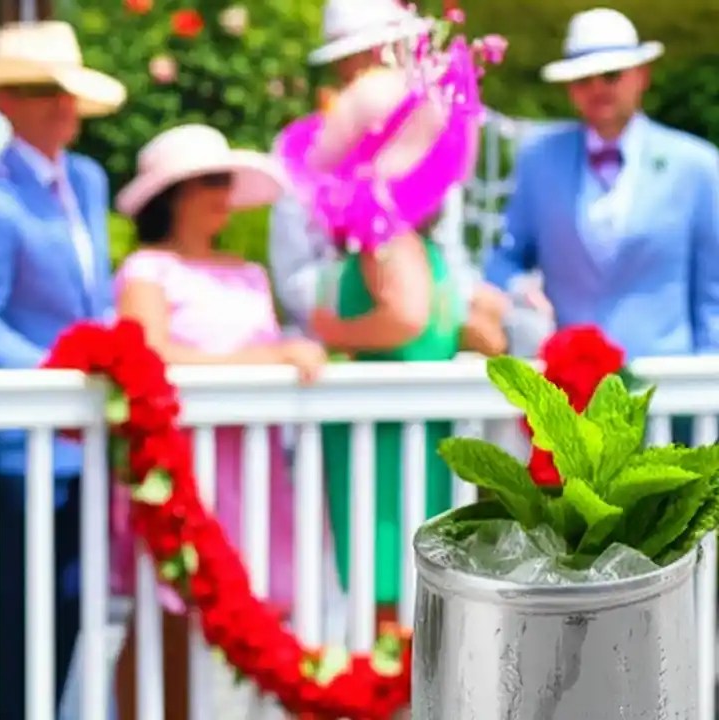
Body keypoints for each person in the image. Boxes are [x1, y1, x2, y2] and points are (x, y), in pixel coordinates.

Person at [276, 13, 498, 628]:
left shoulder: (395, 225)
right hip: (397, 422)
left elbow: (410, 311)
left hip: (397, 426)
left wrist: (331, 326)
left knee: (395, 594)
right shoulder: (409, 239)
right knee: (406, 593)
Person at [0, 20, 126, 720]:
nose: (61, 106)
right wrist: (65, 373)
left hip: (86, 438)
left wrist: (111, 362)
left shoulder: (87, 179)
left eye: (66, 92)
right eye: (43, 92)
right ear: (7, 102)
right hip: (24, 446)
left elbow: (95, 299)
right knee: (21, 611)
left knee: (77, 605)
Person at [106, 124, 325, 719]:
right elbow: (149, 352)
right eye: (208, 180)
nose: (222, 192)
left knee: (259, 610)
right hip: (178, 464)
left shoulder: (249, 272)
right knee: (165, 614)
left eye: (225, 178)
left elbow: (283, 352)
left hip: (252, 467)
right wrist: (271, 358)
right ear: (171, 195)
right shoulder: (147, 270)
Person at [270, 0, 507, 357]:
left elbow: (449, 255)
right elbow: (295, 277)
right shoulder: (307, 154)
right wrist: (364, 306)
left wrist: (462, 309)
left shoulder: (431, 147)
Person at [486, 8, 719, 363]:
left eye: (611, 75)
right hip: (571, 387)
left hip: (668, 389)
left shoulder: (696, 165)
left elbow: (712, 295)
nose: (597, 89)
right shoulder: (539, 158)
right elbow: (504, 259)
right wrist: (521, 289)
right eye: (583, 80)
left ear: (641, 75)